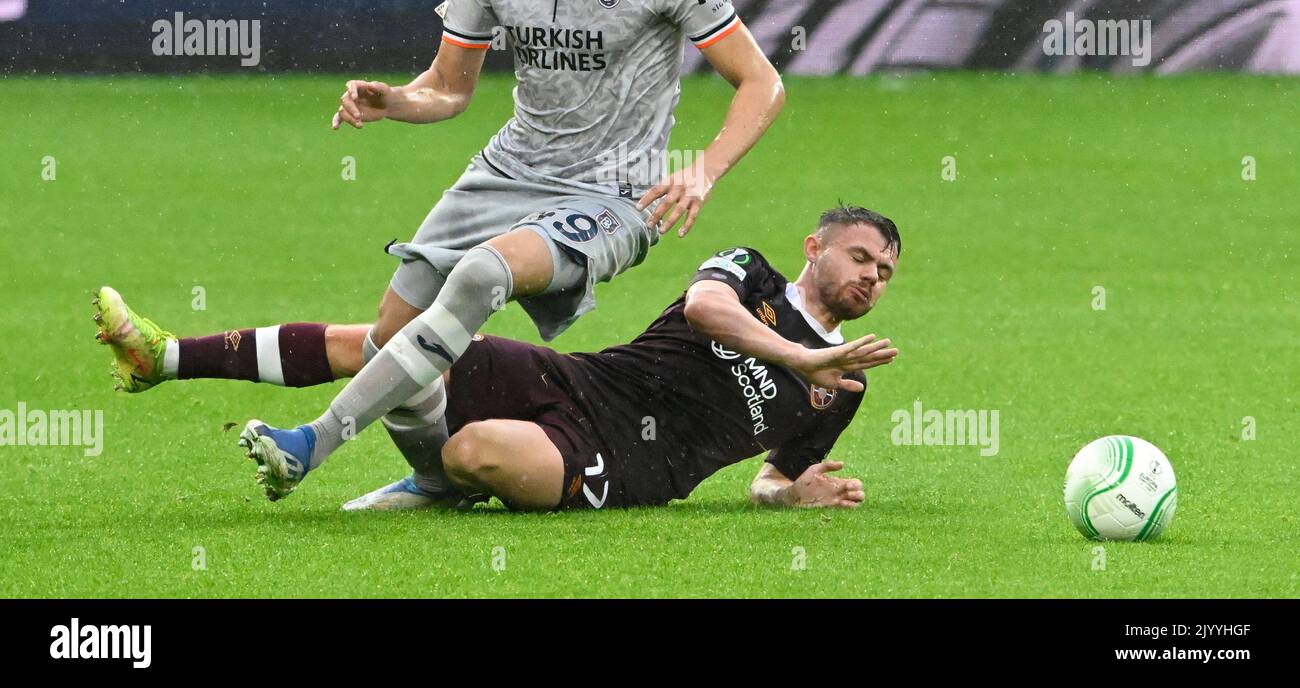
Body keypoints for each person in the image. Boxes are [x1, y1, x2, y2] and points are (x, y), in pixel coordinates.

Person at [93, 0, 785, 502]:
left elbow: (761, 83)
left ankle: (311, 443)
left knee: (483, 278)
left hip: (613, 192)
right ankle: (433, 478)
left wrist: (702, 171)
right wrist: (396, 101)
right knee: (388, 346)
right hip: (508, 169)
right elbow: (451, 87)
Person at [100, 206, 901, 511]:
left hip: (627, 465)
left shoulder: (848, 383)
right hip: (584, 378)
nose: (870, 277)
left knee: (468, 449)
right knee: (393, 345)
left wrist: (788, 499)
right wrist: (798, 355)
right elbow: (704, 309)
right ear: (815, 249)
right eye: (861, 257)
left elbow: (775, 477)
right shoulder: (751, 272)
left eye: (885, 273)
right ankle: (165, 357)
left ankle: (436, 479)